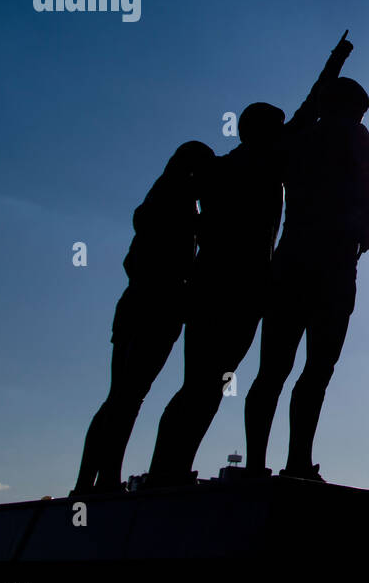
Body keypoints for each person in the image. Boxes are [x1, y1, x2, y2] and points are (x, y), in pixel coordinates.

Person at [145, 35, 354, 486]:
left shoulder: (217, 169)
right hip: (240, 290)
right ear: (264, 130)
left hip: (206, 286)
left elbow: (173, 219)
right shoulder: (267, 160)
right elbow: (312, 107)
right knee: (209, 386)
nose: (285, 129)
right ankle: (169, 471)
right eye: (277, 125)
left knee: (198, 386)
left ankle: (168, 469)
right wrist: (334, 61)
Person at [245, 75, 369, 481]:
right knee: (317, 369)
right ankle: (298, 462)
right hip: (333, 265)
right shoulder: (356, 137)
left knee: (272, 369)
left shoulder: (297, 141)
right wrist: (361, 229)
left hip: (290, 261)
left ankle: (256, 465)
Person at [73, 140, 214, 495]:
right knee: (129, 396)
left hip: (136, 302)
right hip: (158, 305)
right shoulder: (179, 206)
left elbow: (133, 261)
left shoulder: (160, 199)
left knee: (119, 395)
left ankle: (90, 481)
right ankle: (104, 480)